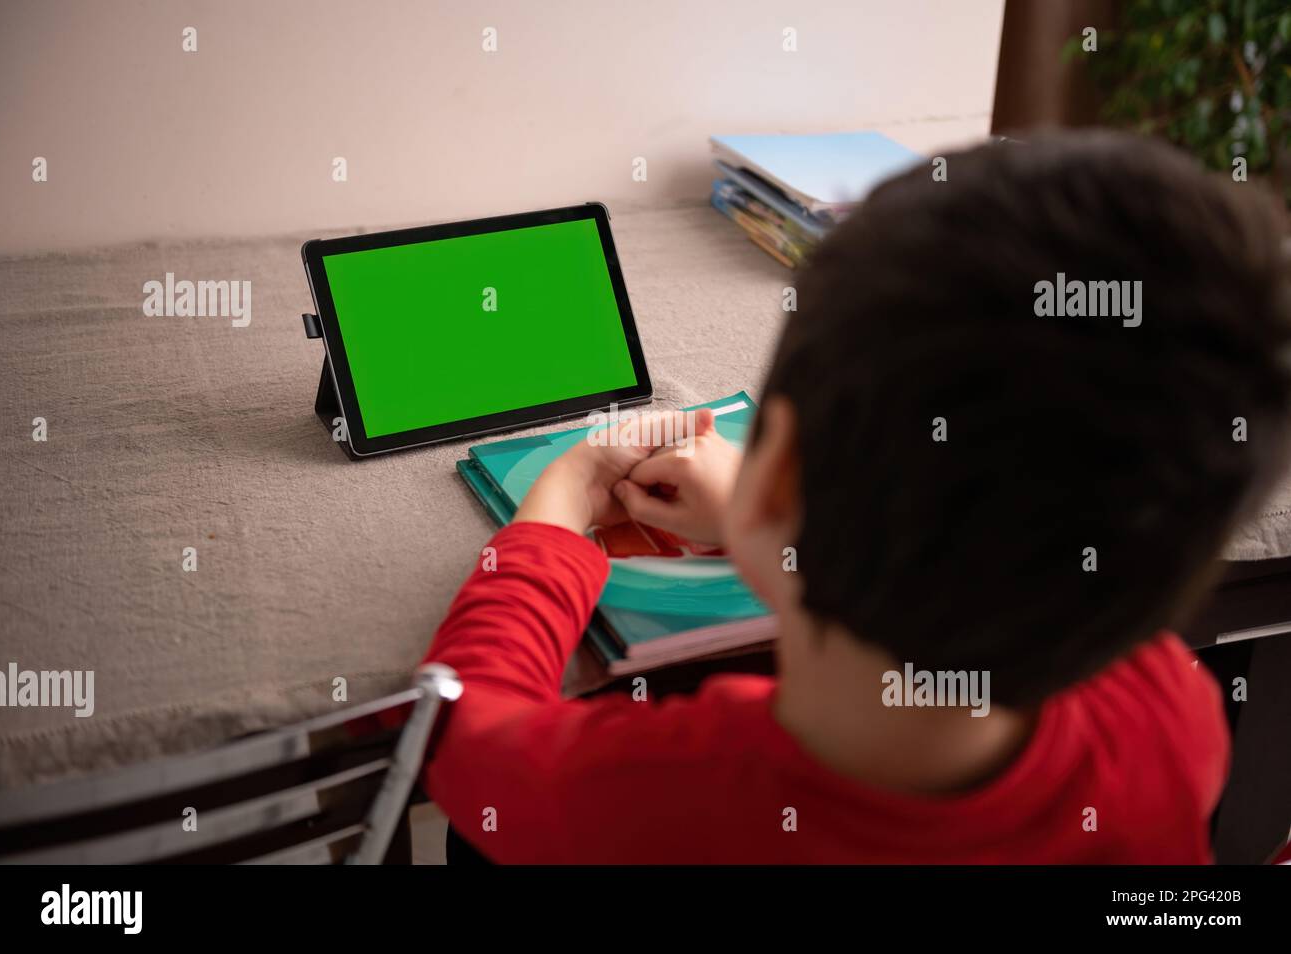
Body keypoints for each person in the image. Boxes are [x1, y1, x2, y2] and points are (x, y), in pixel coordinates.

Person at [421, 132, 1291, 862]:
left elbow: (465, 745)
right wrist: (788, 517)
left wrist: (562, 496)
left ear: (782, 467)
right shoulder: (1169, 717)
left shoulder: (658, 797)